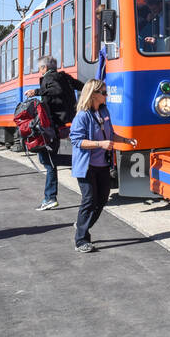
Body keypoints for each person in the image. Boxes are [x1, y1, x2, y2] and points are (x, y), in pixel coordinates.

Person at [27, 56, 82, 210]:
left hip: (53, 125)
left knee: (49, 162)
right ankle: (51, 196)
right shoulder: (64, 76)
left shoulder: (49, 78)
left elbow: (57, 89)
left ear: (44, 68)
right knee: (49, 160)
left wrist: (36, 91)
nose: (39, 71)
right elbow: (82, 86)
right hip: (65, 122)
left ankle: (50, 197)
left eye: (40, 68)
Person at [70, 79, 116, 253]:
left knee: (102, 199)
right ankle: (81, 240)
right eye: (103, 93)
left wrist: (126, 140)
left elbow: (110, 134)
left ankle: (82, 224)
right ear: (93, 94)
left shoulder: (104, 111)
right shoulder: (82, 116)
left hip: (102, 164)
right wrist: (100, 144)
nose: (106, 95)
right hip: (87, 166)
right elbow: (76, 140)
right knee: (89, 201)